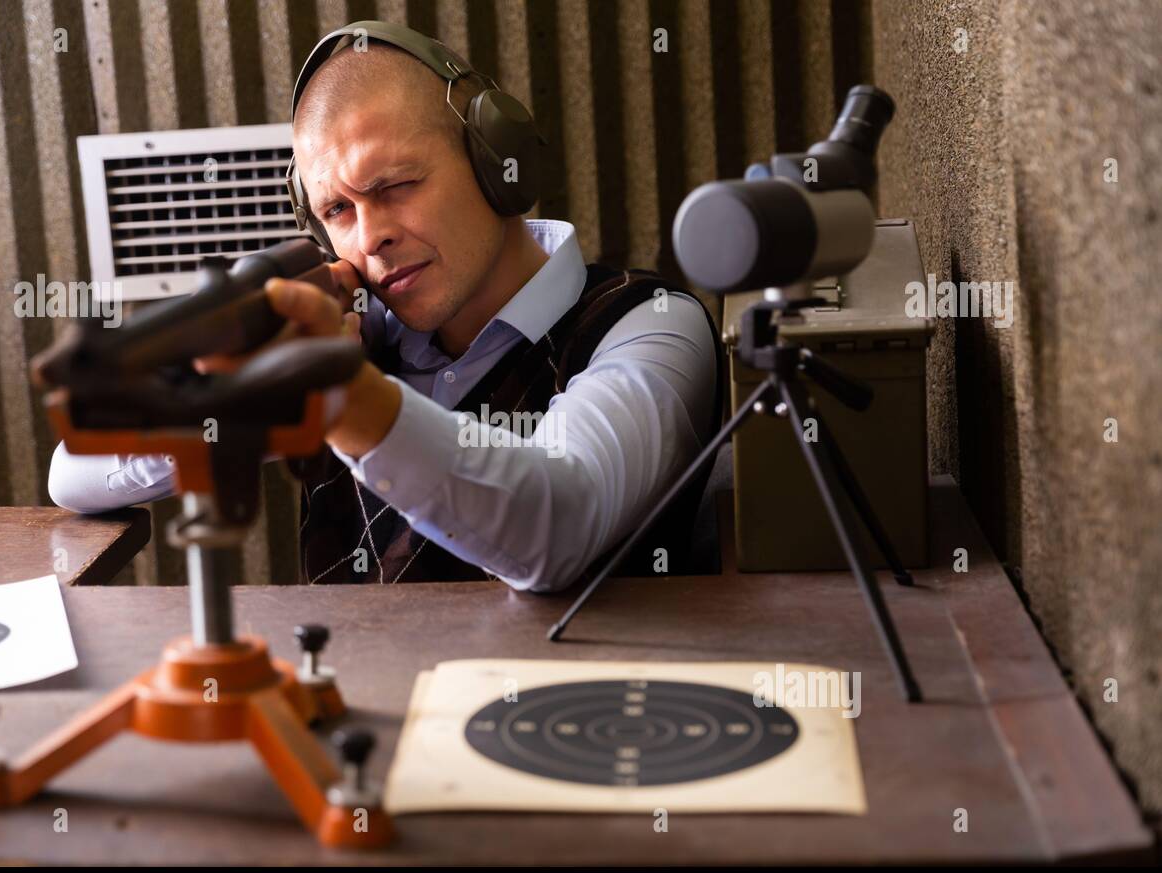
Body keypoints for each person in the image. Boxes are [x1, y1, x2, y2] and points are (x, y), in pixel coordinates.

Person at [49, 22, 719, 592]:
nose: (370, 237)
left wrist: (349, 402)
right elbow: (73, 472)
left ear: (495, 159)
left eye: (396, 185)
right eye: (338, 209)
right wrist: (244, 391)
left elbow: (559, 525)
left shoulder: (651, 325)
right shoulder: (352, 334)